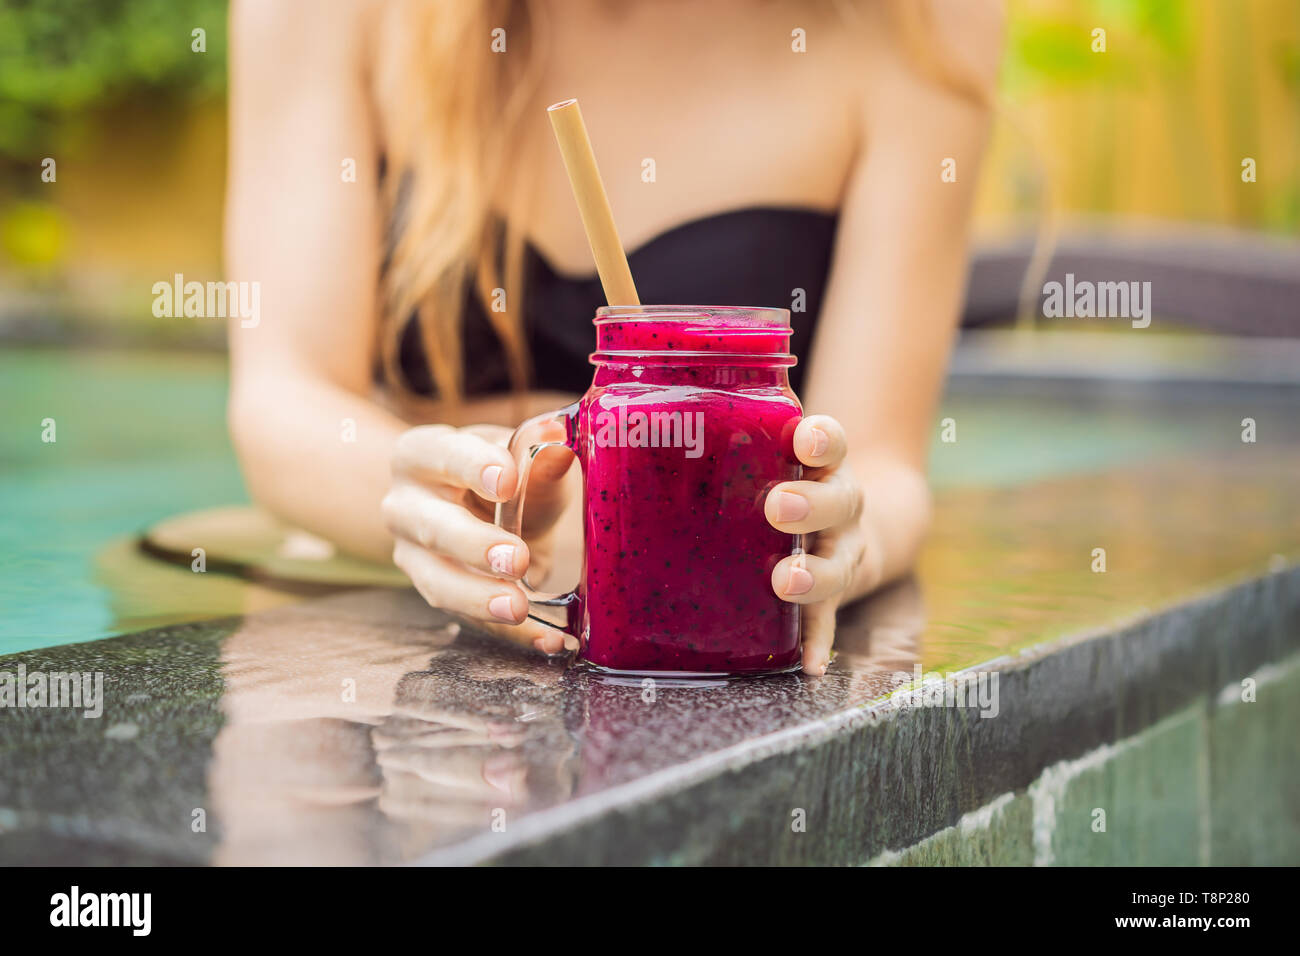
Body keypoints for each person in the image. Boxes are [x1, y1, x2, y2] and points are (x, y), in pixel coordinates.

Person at [224, 0, 1004, 675]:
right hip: (389, 607)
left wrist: (841, 541)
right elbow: (283, 398)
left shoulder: (923, 24)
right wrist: (454, 506)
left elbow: (885, 462)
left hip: (719, 617)